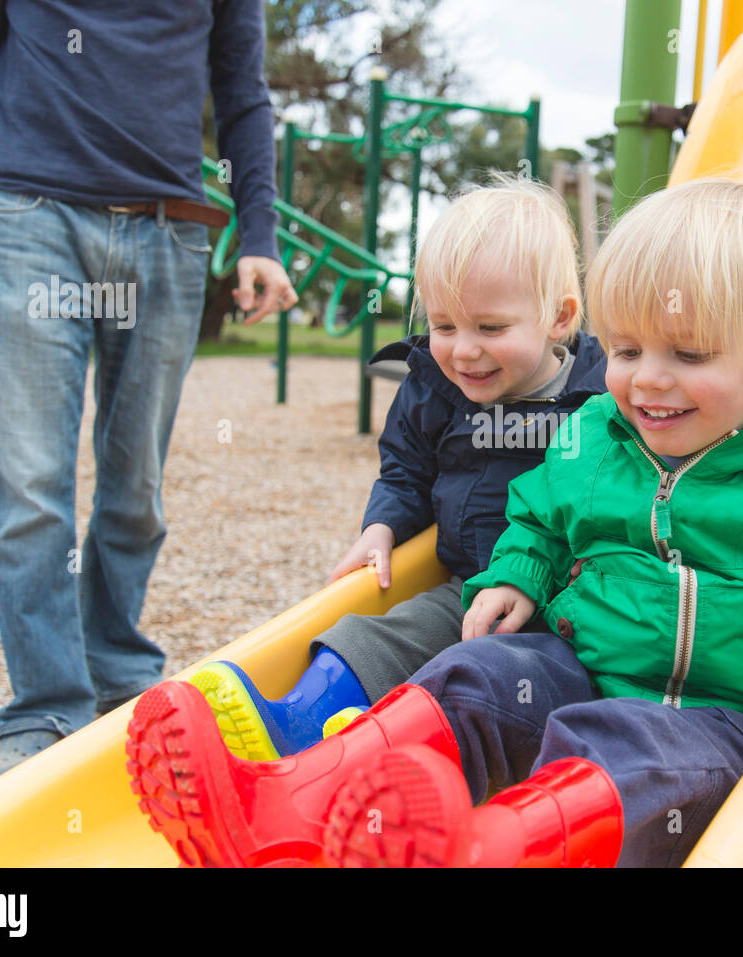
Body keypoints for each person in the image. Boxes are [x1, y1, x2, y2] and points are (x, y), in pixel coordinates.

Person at [127, 178, 743, 869]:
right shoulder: (598, 439)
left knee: (621, 745)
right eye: (628, 349)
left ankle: (485, 850)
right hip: (583, 667)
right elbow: (538, 513)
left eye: (688, 355)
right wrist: (518, 572)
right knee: (478, 672)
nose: (648, 380)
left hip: (715, 723)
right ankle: (282, 805)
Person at [124, 176, 610, 863]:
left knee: (481, 673)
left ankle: (364, 755)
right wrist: (383, 524)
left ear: (559, 319)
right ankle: (293, 727)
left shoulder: (604, 398)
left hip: (569, 607)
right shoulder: (439, 385)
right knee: (373, 630)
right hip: (469, 587)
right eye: (443, 326)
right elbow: (406, 466)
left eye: (490, 329)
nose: (463, 350)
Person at [0, 0, 297, 785]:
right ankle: (46, 705)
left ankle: (115, 665)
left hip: (169, 226)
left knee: (135, 486)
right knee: (27, 485)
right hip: (28, 216)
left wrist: (260, 232)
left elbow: (243, 91)